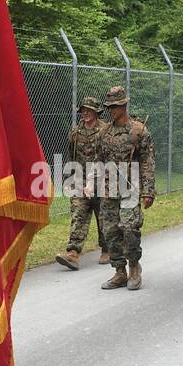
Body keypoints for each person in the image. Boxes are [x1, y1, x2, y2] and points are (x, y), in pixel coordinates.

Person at [97, 85, 156, 291]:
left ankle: (134, 267)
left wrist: (148, 191)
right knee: (110, 231)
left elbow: (148, 162)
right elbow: (99, 160)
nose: (112, 109)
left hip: (131, 187)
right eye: (109, 106)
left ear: (125, 105)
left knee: (130, 228)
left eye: (116, 105)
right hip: (108, 188)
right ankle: (119, 271)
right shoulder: (104, 131)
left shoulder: (139, 131)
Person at [55, 96, 108, 270]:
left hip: (101, 182)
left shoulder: (105, 130)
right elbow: (72, 157)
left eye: (88, 110)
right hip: (80, 181)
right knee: (78, 214)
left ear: (96, 112)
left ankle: (107, 248)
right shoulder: (75, 133)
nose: (85, 113)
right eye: (83, 110)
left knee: (104, 217)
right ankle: (73, 253)